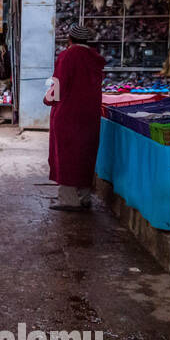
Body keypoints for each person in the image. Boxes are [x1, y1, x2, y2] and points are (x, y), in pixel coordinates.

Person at [45, 24, 106, 212]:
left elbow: (59, 86)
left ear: (70, 39)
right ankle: (84, 196)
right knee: (85, 155)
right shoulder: (96, 59)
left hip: (68, 113)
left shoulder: (67, 56)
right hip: (90, 114)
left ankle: (69, 199)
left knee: (66, 156)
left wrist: (48, 98)